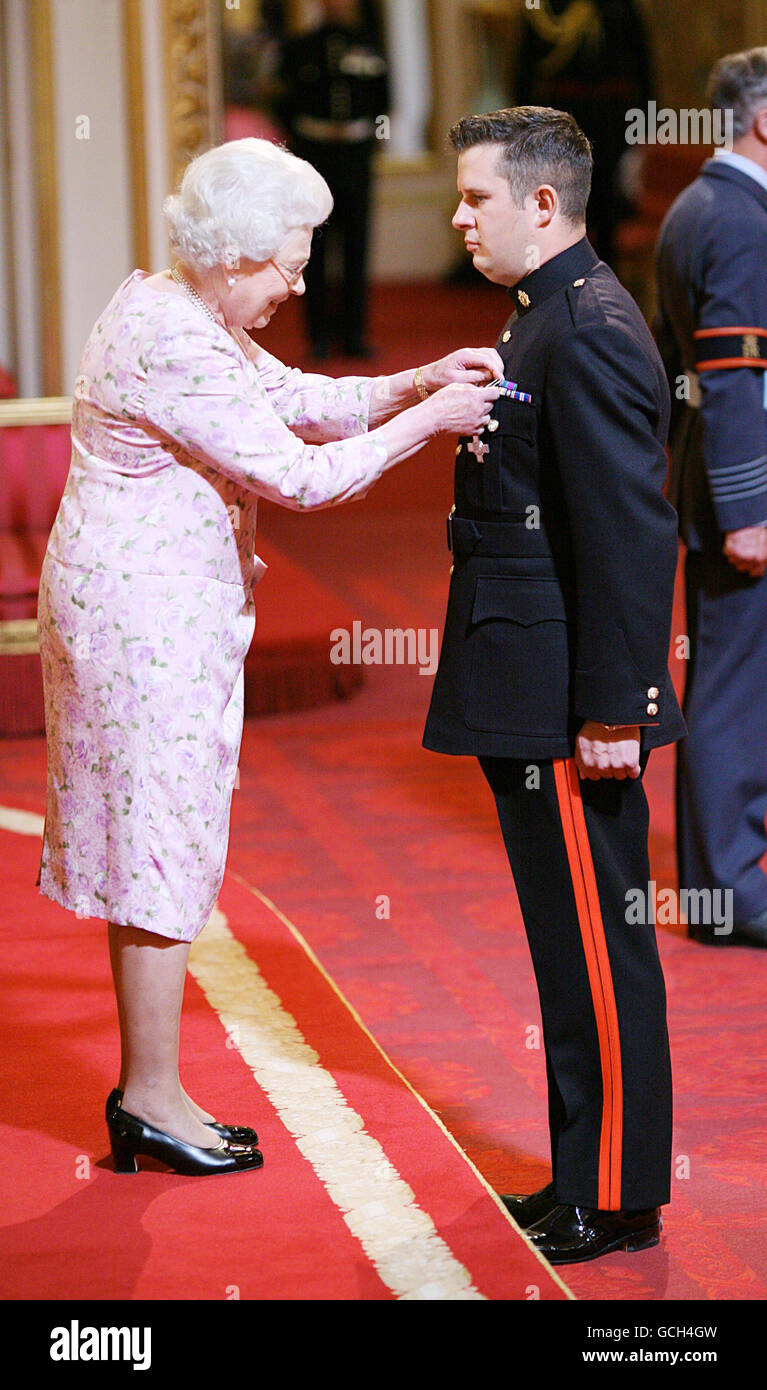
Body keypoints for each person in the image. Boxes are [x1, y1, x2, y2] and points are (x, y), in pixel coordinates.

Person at [37, 137, 500, 1177]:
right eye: (289, 264)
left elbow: (299, 397)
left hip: (149, 613)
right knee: (157, 848)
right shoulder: (176, 338)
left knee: (158, 843)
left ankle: (150, 1091)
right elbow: (299, 476)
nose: (298, 283)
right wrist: (430, 419)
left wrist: (413, 379)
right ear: (233, 255)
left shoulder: (181, 308)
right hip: (141, 621)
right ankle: (151, 1098)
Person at [422, 107, 686, 1264]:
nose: (457, 218)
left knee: (594, 941)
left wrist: (612, 709)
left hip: (571, 701)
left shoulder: (580, 326)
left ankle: (618, 1192)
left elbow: (628, 538)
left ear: (542, 203)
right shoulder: (543, 314)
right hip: (529, 679)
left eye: (475, 198)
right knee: (562, 942)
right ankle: (582, 1170)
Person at [654, 48, 767, 949]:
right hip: (745, 495)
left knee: (735, 687)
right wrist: (747, 512)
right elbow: (730, 376)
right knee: (735, 695)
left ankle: (722, 881)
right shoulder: (740, 220)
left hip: (718, 479)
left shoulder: (701, 205)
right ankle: (727, 893)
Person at [279, 0, 389, 358]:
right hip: (316, 154)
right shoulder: (300, 46)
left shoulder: (369, 42)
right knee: (315, 246)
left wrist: (374, 144)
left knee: (356, 247)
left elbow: (384, 99)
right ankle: (319, 337)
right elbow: (283, 101)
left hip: (355, 156)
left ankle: (354, 334)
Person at [515, 0, 654, 264]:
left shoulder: (619, 6)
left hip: (609, 116)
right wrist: (523, 127)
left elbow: (642, 63)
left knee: (606, 200)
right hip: (559, 116)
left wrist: (645, 124)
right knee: (558, 197)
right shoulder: (541, 8)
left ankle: (605, 273)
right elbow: (525, 69)